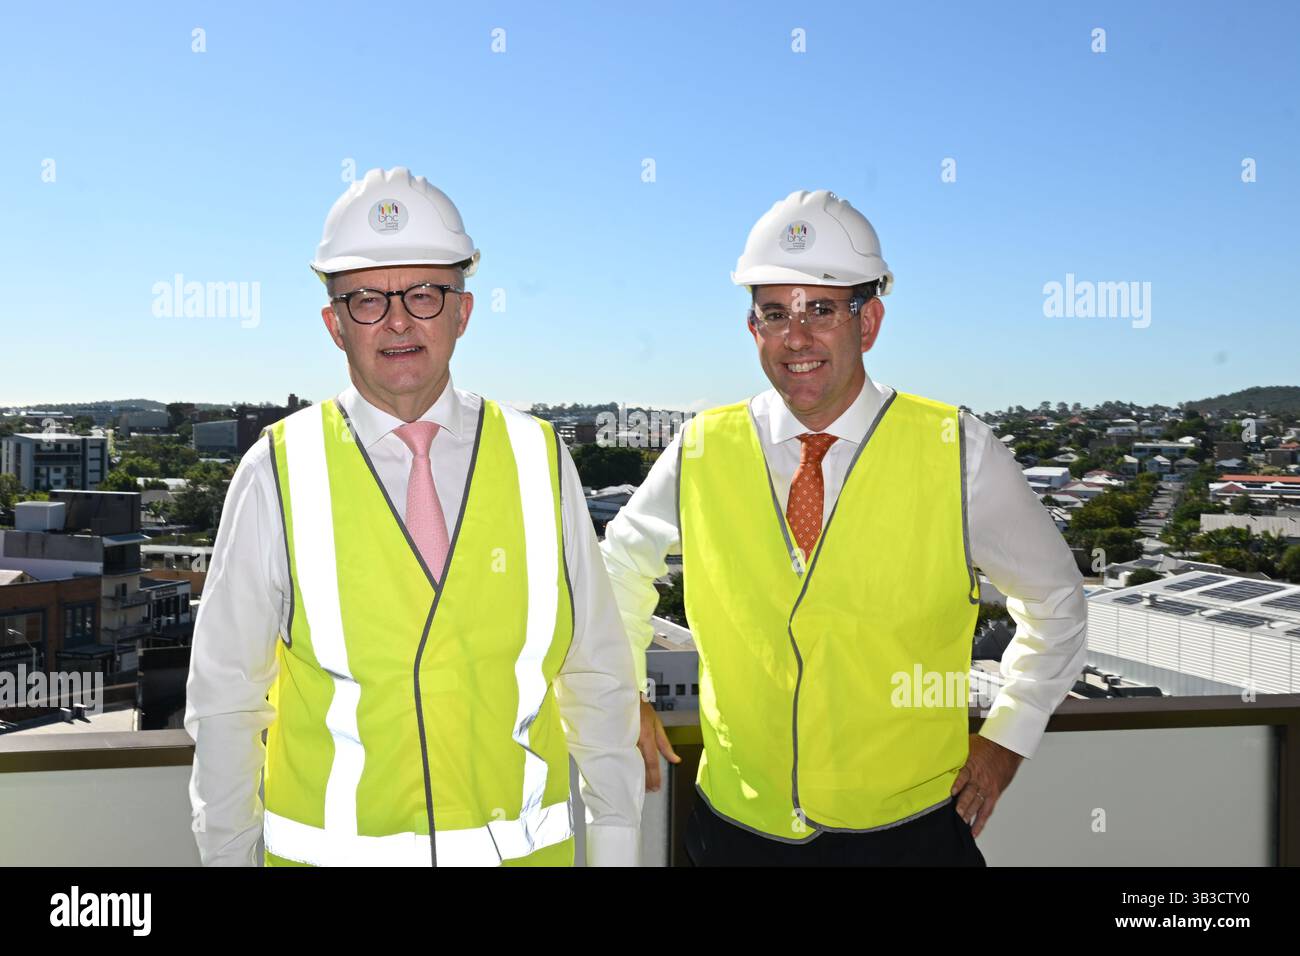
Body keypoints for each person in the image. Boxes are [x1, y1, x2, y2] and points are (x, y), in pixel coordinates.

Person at [600, 189, 1088, 866]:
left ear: (870, 321)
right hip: (735, 831)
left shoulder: (957, 449)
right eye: (775, 313)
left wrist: (1010, 735)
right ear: (753, 329)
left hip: (907, 836)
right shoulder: (701, 448)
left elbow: (1058, 602)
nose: (795, 337)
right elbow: (617, 568)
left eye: (821, 310)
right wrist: (621, 694)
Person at [185, 167, 643, 867]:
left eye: (424, 294)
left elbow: (597, 673)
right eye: (367, 298)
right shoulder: (276, 471)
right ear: (334, 324)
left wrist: (616, 848)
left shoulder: (539, 457)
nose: (398, 320)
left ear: (462, 311)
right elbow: (226, 704)